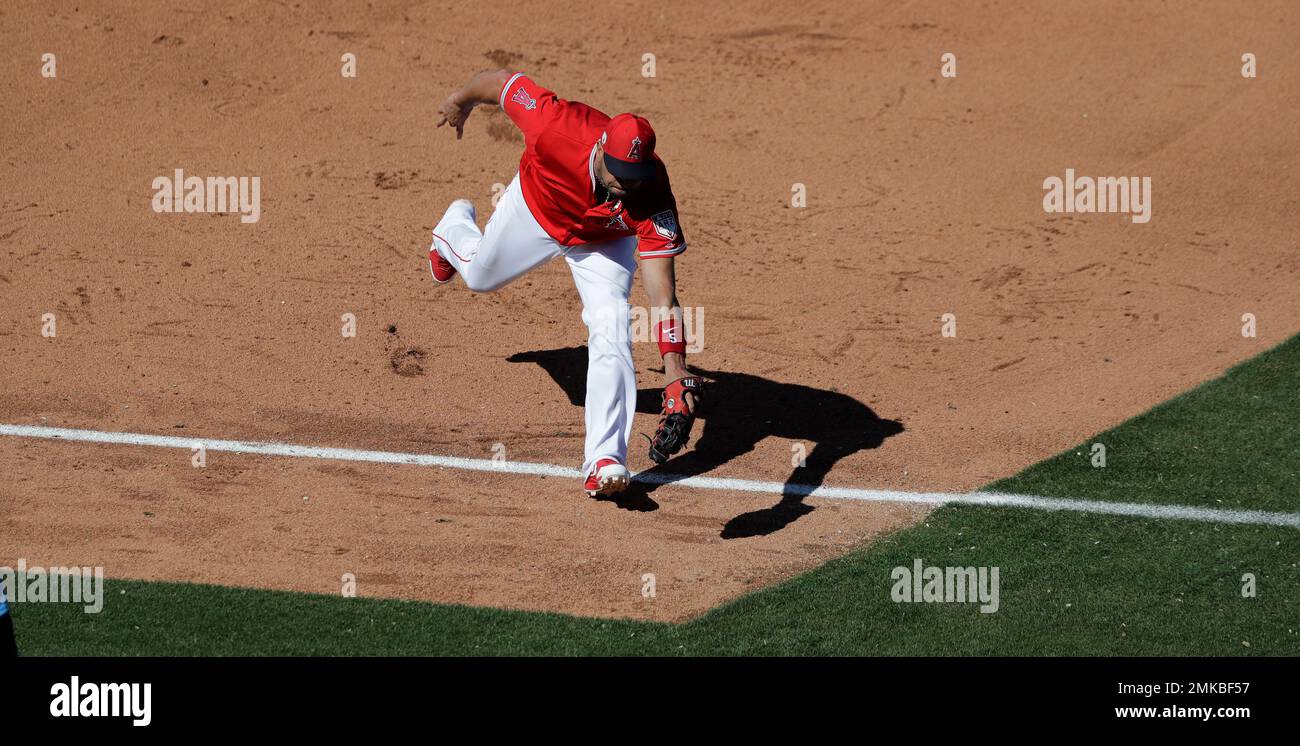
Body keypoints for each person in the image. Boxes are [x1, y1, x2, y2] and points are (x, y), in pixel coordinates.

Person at [431, 69, 701, 497]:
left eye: (635, 179)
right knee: (480, 276)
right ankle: (452, 228)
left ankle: (604, 460)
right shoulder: (555, 125)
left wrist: (675, 367)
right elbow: (504, 84)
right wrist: (460, 99)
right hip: (536, 209)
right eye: (618, 175)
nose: (625, 187)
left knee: (612, 324)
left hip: (601, 244)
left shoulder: (652, 193)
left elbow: (662, 293)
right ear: (599, 150)